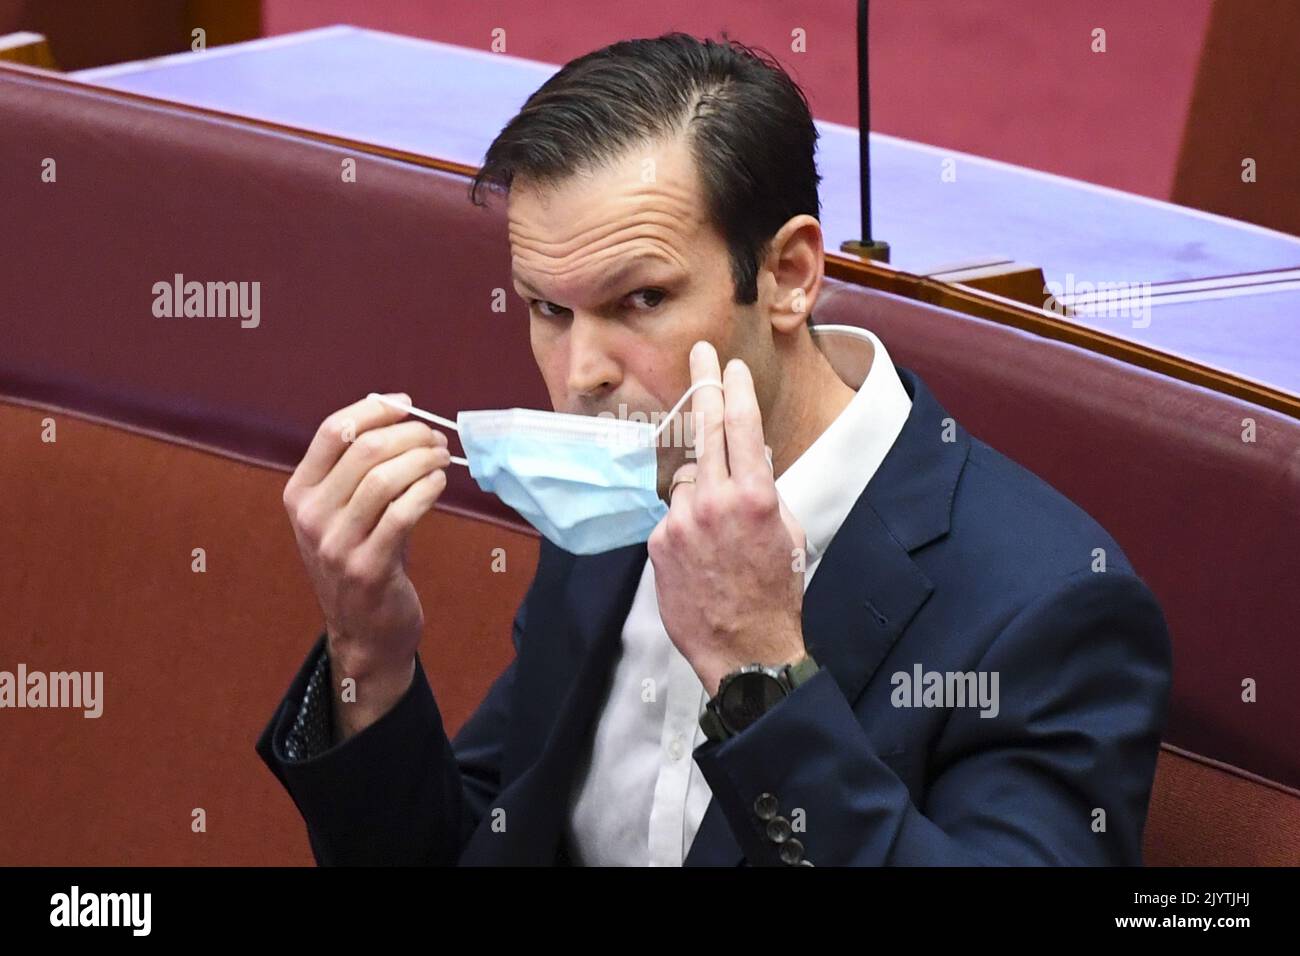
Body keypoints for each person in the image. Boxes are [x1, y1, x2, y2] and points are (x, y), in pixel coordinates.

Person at [255, 33, 1171, 866]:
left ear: (788, 278)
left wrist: (760, 674)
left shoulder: (1051, 606)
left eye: (640, 301)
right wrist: (368, 651)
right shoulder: (617, 505)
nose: (581, 374)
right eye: (547, 308)